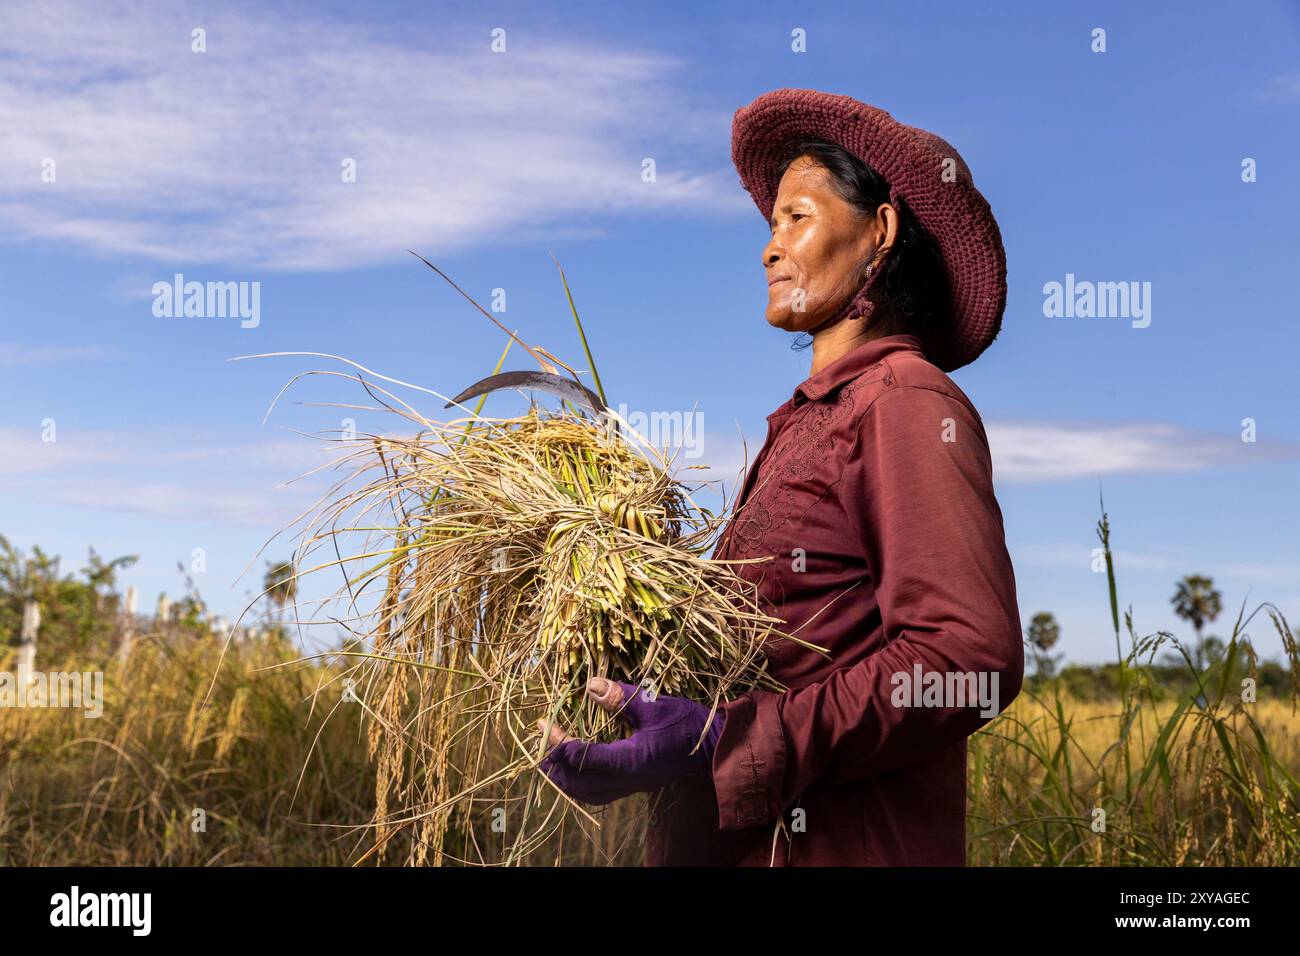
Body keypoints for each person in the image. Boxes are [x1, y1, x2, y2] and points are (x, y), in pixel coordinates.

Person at [538, 88, 1022, 866]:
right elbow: (786, 652)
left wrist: (728, 738)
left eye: (797, 217)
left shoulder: (904, 405)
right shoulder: (812, 420)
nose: (769, 247)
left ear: (881, 232)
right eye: (771, 225)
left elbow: (967, 659)